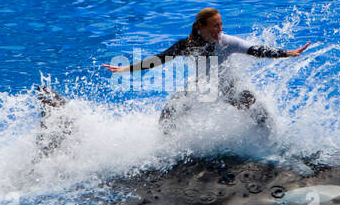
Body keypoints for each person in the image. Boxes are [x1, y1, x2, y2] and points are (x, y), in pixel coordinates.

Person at [102, 8, 310, 130]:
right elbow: (159, 59)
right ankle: (166, 147)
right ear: (201, 27)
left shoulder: (227, 42)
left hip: (230, 86)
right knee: (169, 112)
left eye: (221, 24)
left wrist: (286, 53)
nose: (220, 29)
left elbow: (254, 50)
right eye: (215, 26)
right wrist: (125, 70)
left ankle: (275, 147)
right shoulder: (187, 45)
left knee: (261, 115)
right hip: (201, 87)